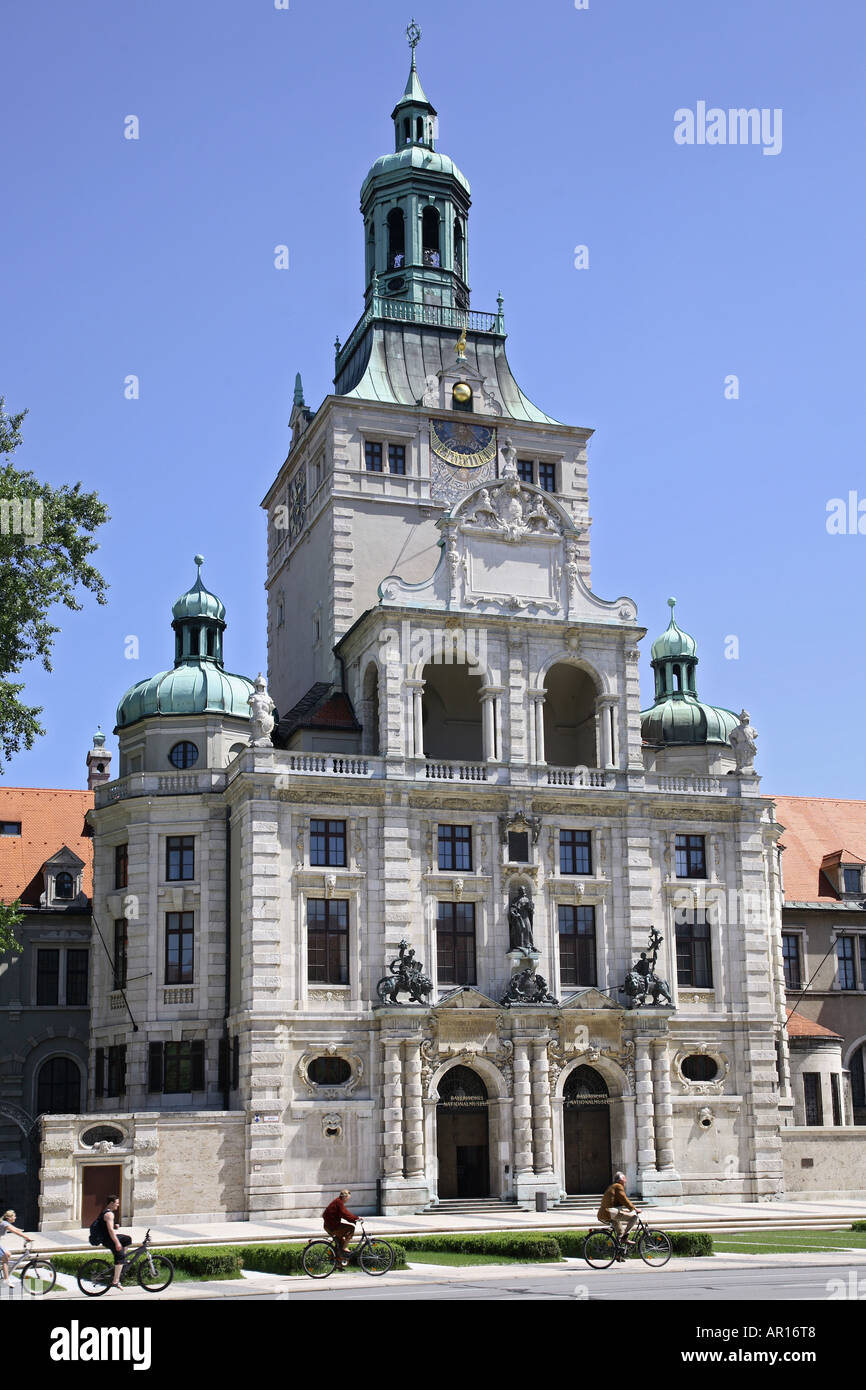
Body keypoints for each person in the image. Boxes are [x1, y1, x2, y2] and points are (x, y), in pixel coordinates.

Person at [597, 1172, 638, 1262]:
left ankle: (617, 1255)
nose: (626, 1181)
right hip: (609, 1212)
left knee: (620, 1232)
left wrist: (626, 1210)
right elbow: (624, 1199)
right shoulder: (618, 1186)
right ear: (620, 1180)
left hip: (606, 1212)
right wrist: (634, 1208)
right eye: (624, 1179)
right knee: (634, 1217)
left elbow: (616, 1202)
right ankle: (625, 1238)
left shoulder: (613, 1186)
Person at [100, 1195, 132, 1288]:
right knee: (120, 1256)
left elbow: (107, 1227)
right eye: (117, 1203)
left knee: (127, 1239)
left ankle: (122, 1259)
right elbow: (110, 1230)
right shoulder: (110, 1214)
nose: (118, 1205)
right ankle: (115, 1281)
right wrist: (117, 1242)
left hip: (107, 1237)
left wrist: (115, 1226)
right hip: (108, 1239)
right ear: (111, 1203)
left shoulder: (106, 1212)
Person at [322, 1189, 359, 1268]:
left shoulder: (337, 1201)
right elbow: (345, 1213)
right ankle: (345, 1247)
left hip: (329, 1225)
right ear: (344, 1197)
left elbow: (344, 1214)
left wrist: (353, 1218)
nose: (347, 1200)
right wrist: (356, 1218)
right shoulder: (339, 1203)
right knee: (351, 1228)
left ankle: (338, 1263)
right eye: (348, 1198)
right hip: (332, 1226)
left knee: (340, 1242)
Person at [0, 1210, 31, 1285]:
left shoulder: (5, 1223)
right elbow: (14, 1231)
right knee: (5, 1257)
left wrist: (20, 1230)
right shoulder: (5, 1224)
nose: (15, 1217)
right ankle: (6, 1280)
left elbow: (14, 1229)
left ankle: (4, 1272)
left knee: (8, 1254)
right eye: (14, 1216)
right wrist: (27, 1237)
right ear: (9, 1218)